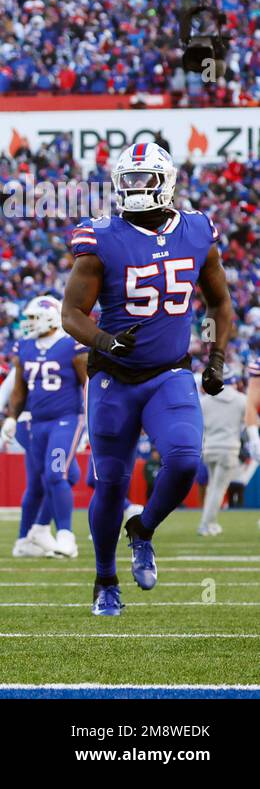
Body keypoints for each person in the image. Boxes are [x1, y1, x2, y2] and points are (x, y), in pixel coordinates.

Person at [61, 142, 234, 617]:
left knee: (183, 461)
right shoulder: (101, 238)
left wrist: (217, 358)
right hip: (113, 379)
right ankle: (104, 582)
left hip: (170, 374)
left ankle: (143, 530)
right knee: (111, 484)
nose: (135, 189)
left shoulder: (197, 230)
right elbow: (71, 314)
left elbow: (220, 304)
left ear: (166, 181)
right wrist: (104, 341)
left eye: (144, 179)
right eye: (128, 180)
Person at [0, 295, 87, 558]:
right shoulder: (24, 347)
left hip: (67, 418)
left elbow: (89, 385)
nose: (28, 324)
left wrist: (91, 423)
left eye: (33, 318)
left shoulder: (72, 345)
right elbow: (19, 388)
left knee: (56, 475)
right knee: (42, 481)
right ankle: (31, 535)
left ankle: (65, 536)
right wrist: (12, 416)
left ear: (50, 317)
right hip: (36, 423)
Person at [198, 370, 246, 536]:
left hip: (209, 448)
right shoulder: (241, 400)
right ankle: (206, 524)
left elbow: (200, 426)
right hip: (228, 448)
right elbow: (249, 423)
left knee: (213, 487)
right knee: (218, 488)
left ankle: (209, 523)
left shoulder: (205, 401)